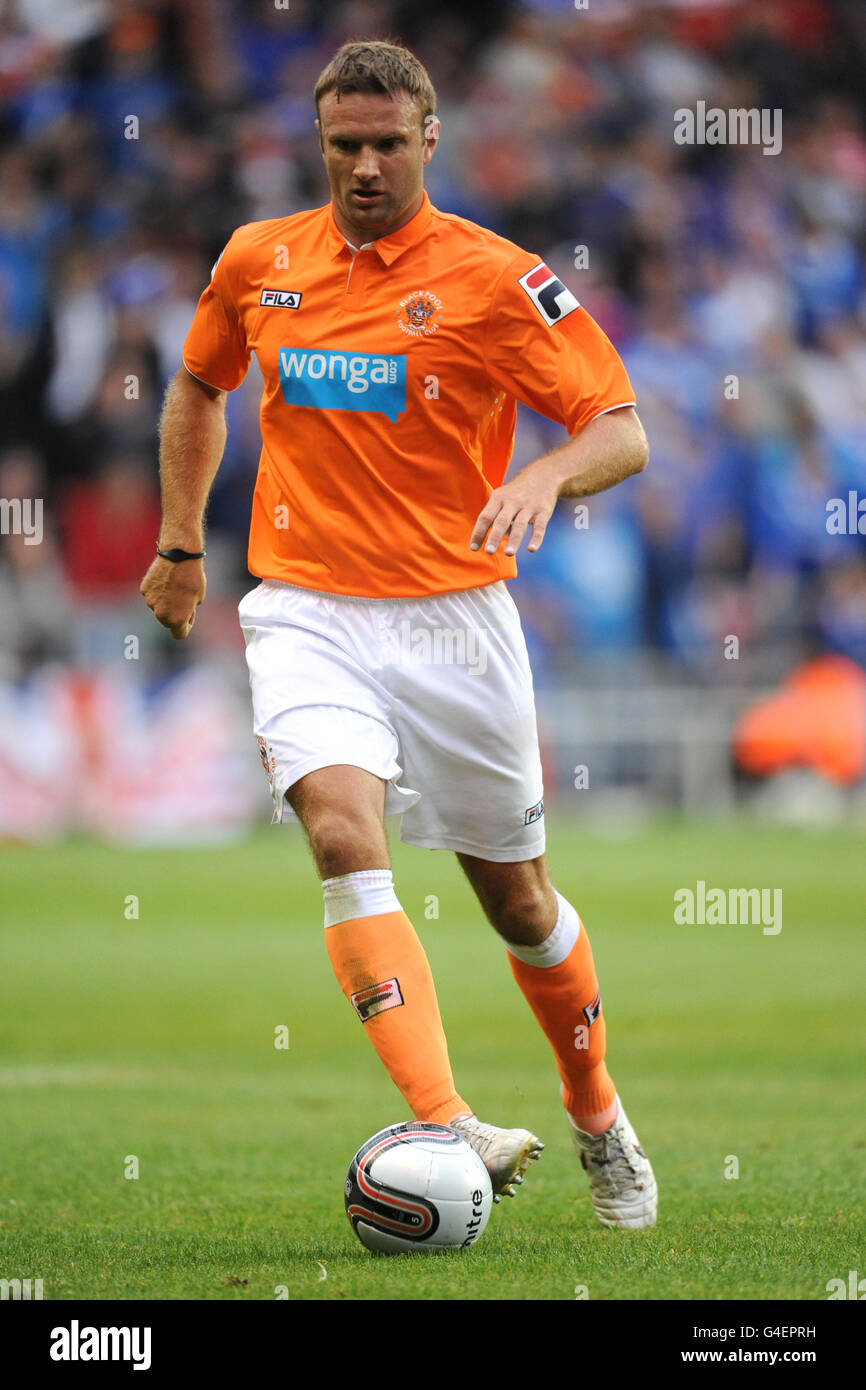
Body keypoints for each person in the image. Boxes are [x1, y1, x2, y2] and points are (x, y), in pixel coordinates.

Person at [140, 40, 657, 1228]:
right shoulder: (258, 262)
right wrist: (179, 546)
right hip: (305, 607)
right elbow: (196, 386)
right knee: (337, 831)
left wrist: (546, 480)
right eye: (343, 146)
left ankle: (595, 1115)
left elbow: (619, 427)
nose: (364, 166)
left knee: (518, 901)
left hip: (452, 622)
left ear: (430, 138)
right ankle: (444, 1117)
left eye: (385, 143)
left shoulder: (495, 279)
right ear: (318, 145)